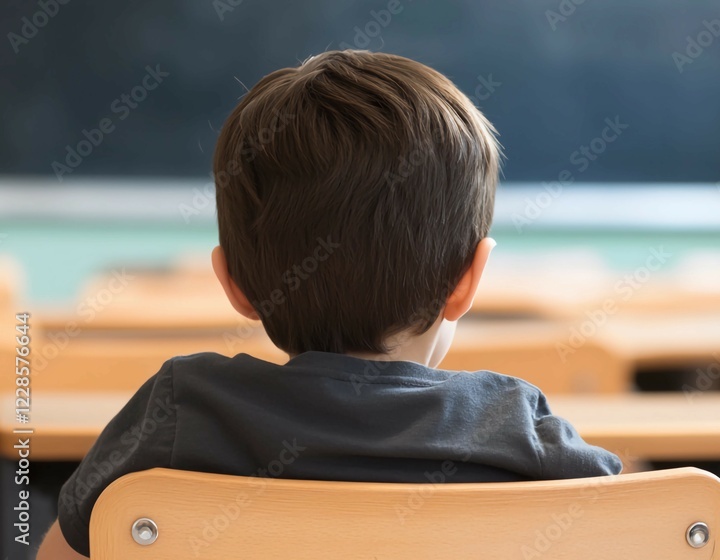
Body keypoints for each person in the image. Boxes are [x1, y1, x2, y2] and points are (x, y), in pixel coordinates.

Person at [38, 50, 621, 559]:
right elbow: (642, 521)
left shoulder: (181, 412)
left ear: (234, 284)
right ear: (467, 280)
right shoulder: (517, 428)